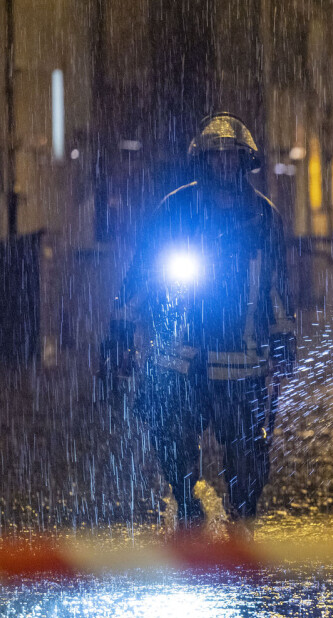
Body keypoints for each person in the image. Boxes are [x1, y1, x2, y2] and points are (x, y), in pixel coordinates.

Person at [98, 112, 296, 528]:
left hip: (241, 357)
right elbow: (143, 273)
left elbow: (275, 285)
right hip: (179, 355)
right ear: (202, 162)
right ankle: (186, 504)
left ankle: (242, 520)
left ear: (244, 162)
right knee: (170, 434)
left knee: (248, 451)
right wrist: (119, 328)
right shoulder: (176, 209)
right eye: (215, 157)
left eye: (230, 157)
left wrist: (282, 341)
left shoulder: (262, 216)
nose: (223, 164)